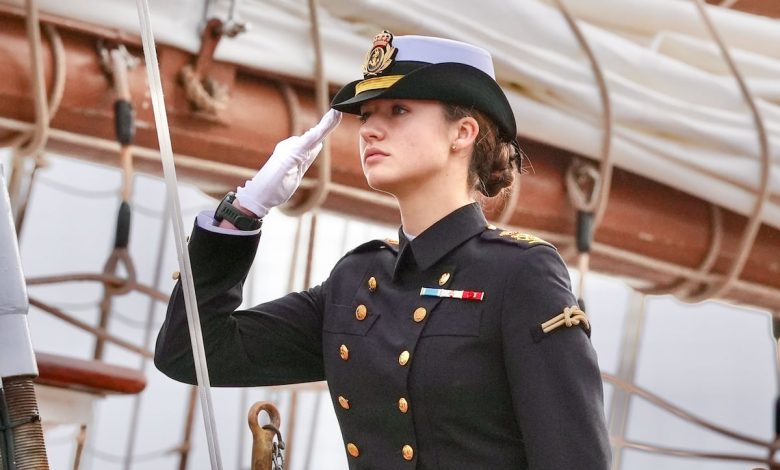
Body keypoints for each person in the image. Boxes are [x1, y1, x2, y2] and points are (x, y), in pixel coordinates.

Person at [155, 30, 611, 469]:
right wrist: (246, 209)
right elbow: (191, 351)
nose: (370, 129)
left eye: (397, 110)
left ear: (464, 132)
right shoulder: (357, 282)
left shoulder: (520, 274)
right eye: (367, 115)